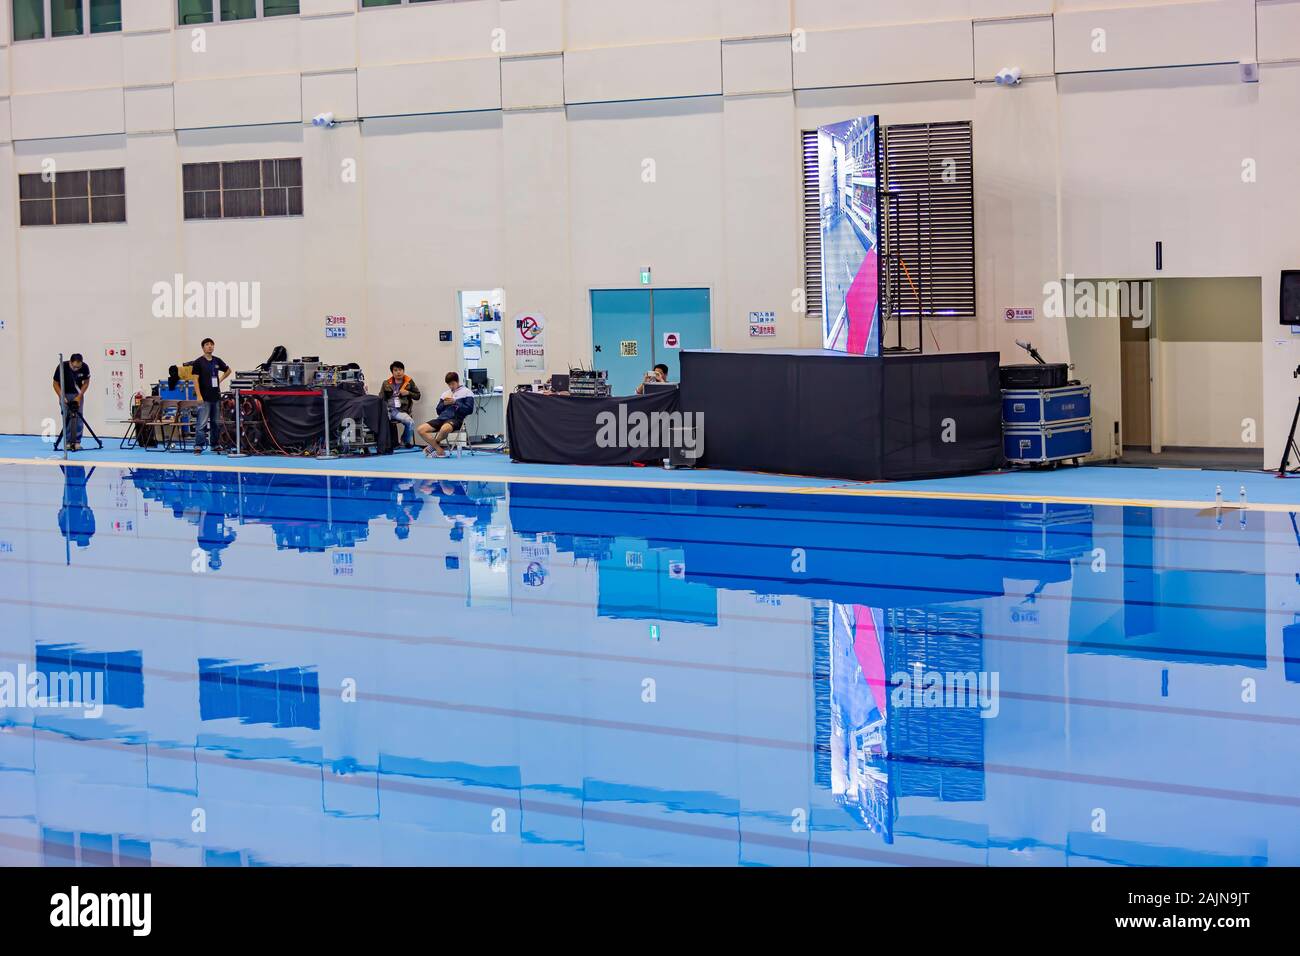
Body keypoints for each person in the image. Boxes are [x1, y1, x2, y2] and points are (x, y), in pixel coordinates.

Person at [418, 372, 475, 458]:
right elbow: (438, 410)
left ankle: (433, 446)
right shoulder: (445, 394)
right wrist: (444, 404)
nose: (451, 386)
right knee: (420, 429)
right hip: (442, 418)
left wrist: (455, 402)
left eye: (453, 384)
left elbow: (469, 410)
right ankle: (438, 449)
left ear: (458, 381)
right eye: (449, 385)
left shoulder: (467, 392)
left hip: (456, 419)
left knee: (445, 428)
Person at [190, 338, 231, 455]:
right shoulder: (198, 362)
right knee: (202, 423)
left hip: (216, 398)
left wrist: (220, 380)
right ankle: (198, 445)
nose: (210, 346)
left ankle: (215, 445)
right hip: (204, 398)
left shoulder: (217, 361)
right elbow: (195, 380)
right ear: (203, 347)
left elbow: (228, 370)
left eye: (212, 344)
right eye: (207, 345)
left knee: (216, 423)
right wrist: (198, 395)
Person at [51, 353, 91, 451]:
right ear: (70, 362)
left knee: (79, 417)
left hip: (78, 394)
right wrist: (61, 396)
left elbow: (86, 382)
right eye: (74, 367)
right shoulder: (62, 367)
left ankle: (77, 442)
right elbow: (55, 384)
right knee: (67, 418)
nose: (76, 369)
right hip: (65, 394)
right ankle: (68, 442)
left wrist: (79, 396)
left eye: (78, 367)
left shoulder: (85, 367)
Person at [379, 361, 422, 448]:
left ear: (403, 370)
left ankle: (404, 441)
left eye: (400, 370)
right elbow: (381, 398)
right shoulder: (386, 383)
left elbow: (418, 396)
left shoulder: (409, 382)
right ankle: (386, 443)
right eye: (396, 370)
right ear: (392, 372)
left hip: (401, 410)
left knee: (410, 422)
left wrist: (408, 393)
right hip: (388, 410)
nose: (398, 372)